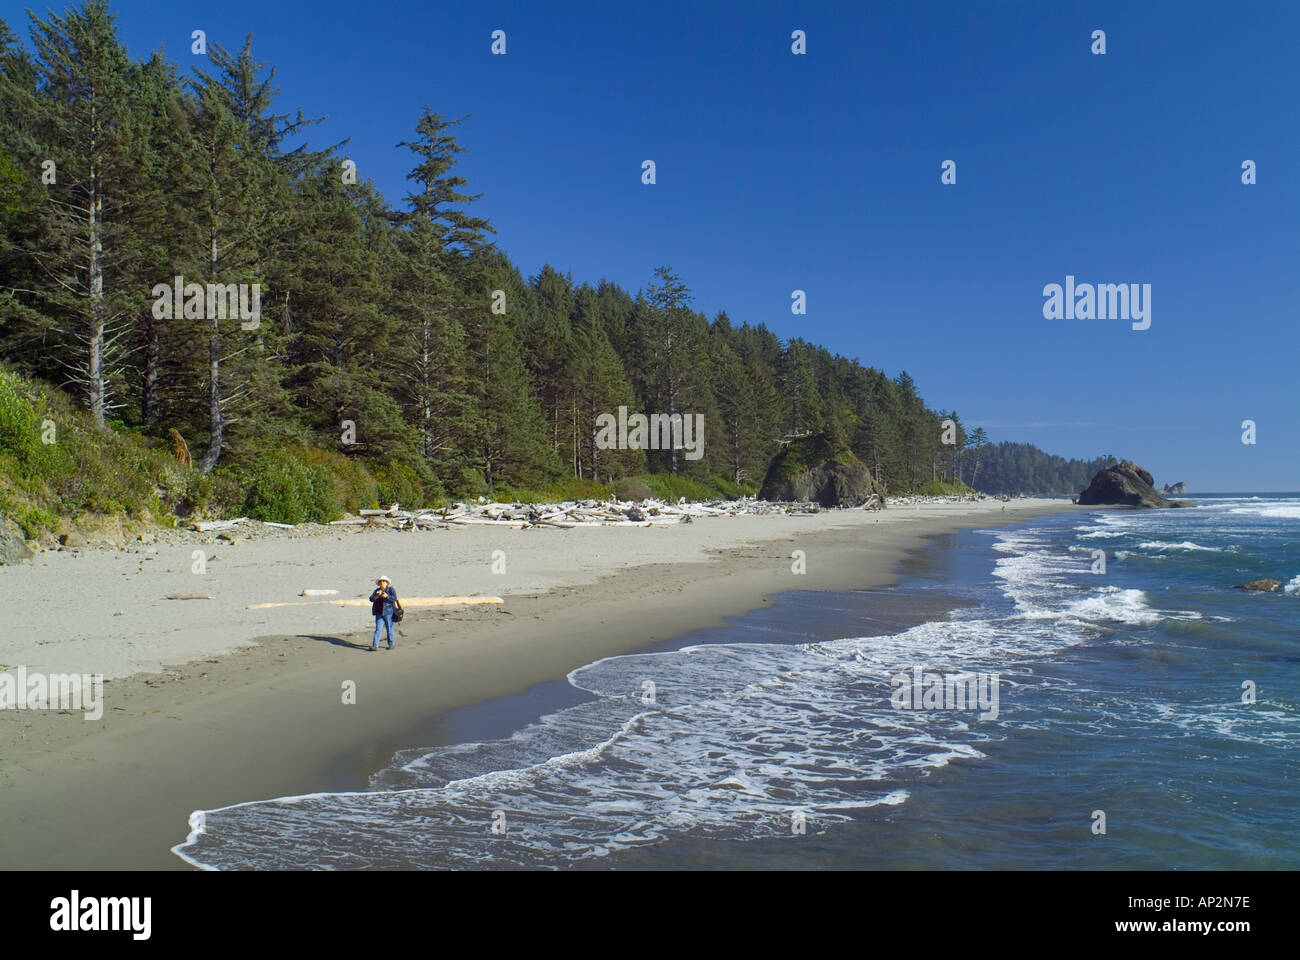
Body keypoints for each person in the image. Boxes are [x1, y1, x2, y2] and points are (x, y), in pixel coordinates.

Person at [369, 576, 398, 651]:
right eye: (381, 581)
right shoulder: (376, 591)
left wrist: (387, 596)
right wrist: (377, 595)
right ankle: (375, 645)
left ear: (386, 583)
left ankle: (391, 644)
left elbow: (394, 598)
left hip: (388, 612)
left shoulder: (390, 589)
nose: (382, 582)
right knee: (378, 629)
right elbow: (371, 599)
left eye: (383, 581)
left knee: (389, 628)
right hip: (379, 613)